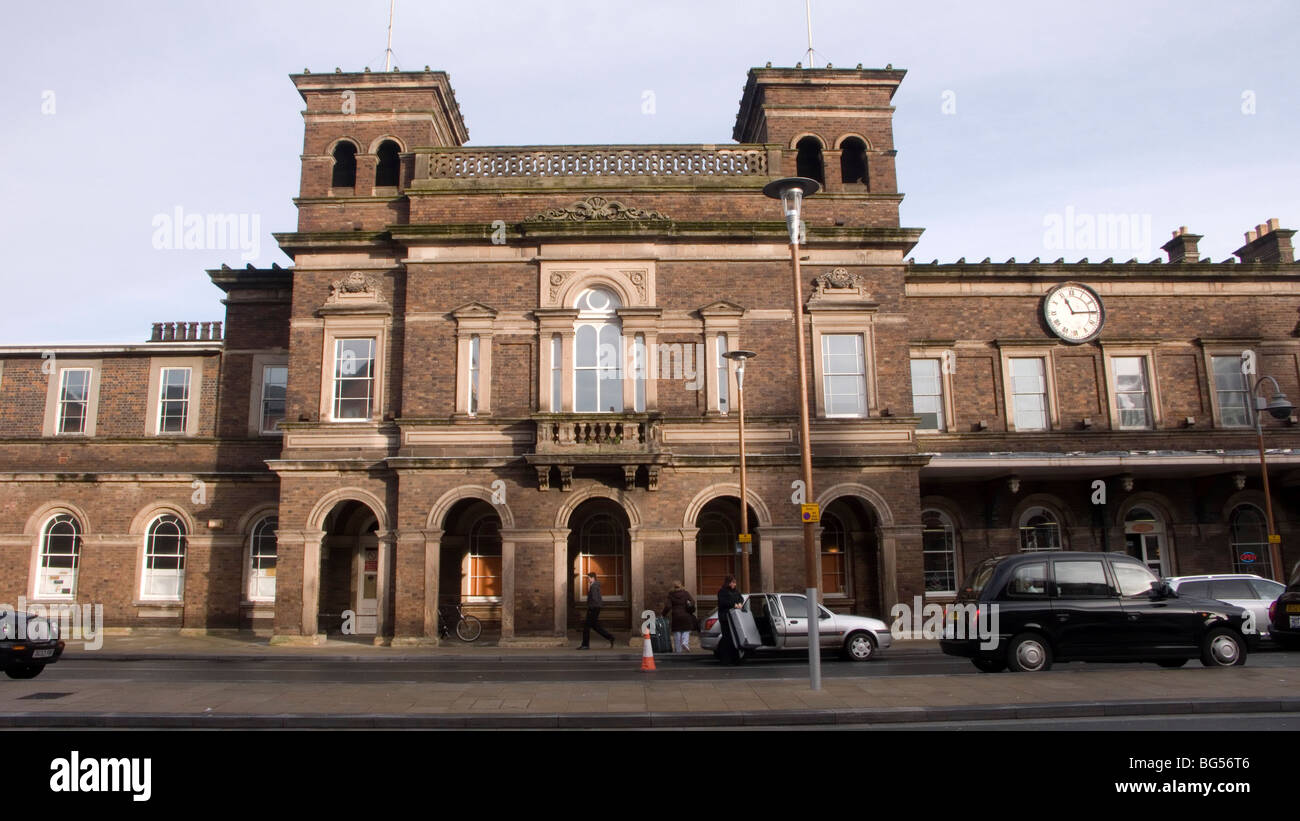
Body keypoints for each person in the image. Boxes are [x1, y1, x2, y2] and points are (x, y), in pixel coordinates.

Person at [577, 570, 616, 649]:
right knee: (595, 626)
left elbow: (594, 598)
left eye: (589, 578)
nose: (588, 579)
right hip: (595, 608)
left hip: (593, 608)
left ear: (593, 578)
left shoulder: (594, 586)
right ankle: (610, 637)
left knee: (586, 627)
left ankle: (585, 645)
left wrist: (591, 607)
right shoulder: (595, 585)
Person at [715, 574, 745, 664]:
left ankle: (735, 658)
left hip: (734, 617)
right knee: (727, 638)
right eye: (733, 582)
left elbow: (741, 598)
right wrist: (733, 605)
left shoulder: (736, 591)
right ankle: (726, 659)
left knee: (734, 638)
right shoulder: (722, 591)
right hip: (725, 617)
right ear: (728, 583)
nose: (734, 584)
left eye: (735, 583)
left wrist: (740, 603)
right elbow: (723, 602)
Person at [661, 581, 697, 653]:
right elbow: (692, 602)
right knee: (686, 631)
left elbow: (668, 606)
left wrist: (663, 614)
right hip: (686, 615)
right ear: (681, 586)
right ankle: (685, 643)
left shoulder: (671, 595)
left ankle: (678, 650)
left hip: (676, 616)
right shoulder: (685, 593)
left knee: (677, 633)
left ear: (673, 587)